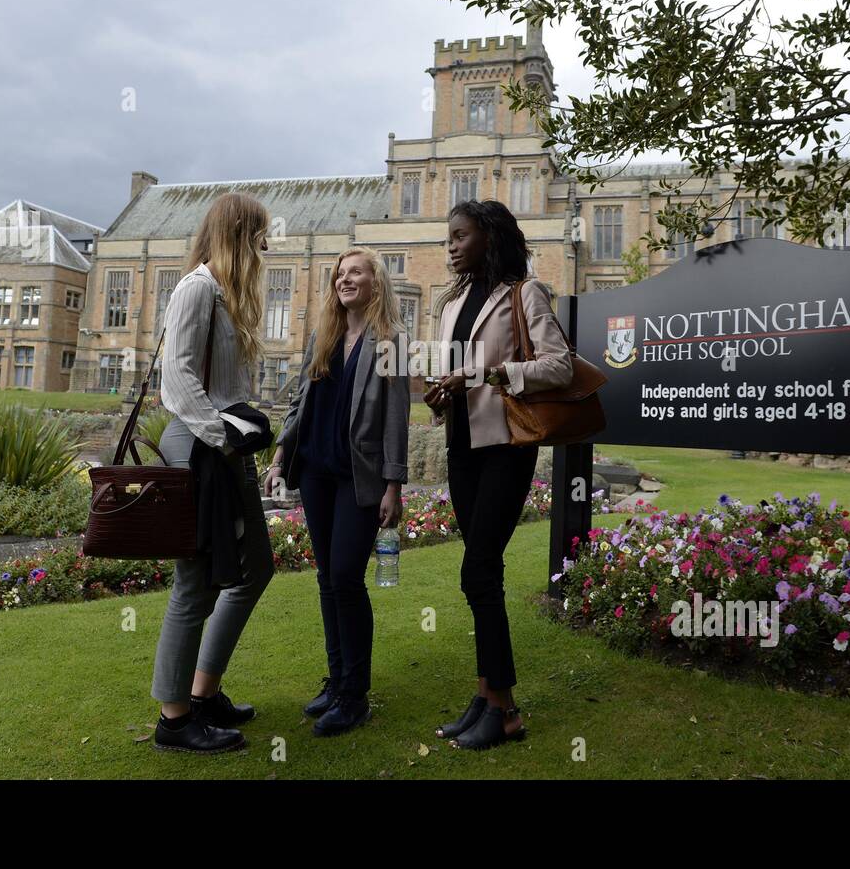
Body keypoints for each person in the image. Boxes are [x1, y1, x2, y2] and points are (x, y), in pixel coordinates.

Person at [424, 199, 573, 750]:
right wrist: (442, 393)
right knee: (481, 572)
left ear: (490, 236)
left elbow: (558, 365)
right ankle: (486, 695)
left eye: (461, 235)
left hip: (507, 447)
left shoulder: (523, 292)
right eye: (449, 237)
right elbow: (455, 377)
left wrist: (488, 373)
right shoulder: (452, 301)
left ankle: (505, 710)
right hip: (462, 446)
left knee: (478, 571)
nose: (452, 245)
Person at [149, 192, 276, 754]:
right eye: (261, 235)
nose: (267, 246)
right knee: (195, 582)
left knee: (256, 568)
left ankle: (203, 693)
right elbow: (175, 379)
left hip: (225, 447)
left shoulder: (225, 294)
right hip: (201, 446)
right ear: (239, 235)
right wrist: (227, 437)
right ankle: (175, 720)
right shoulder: (197, 287)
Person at [266, 247, 410, 736]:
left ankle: (355, 695)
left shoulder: (390, 340)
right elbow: (300, 401)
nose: (345, 280)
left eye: (356, 273)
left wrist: (394, 483)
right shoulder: (322, 336)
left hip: (359, 477)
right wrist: (281, 456)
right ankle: (335, 681)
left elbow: (395, 418)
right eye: (340, 274)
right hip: (316, 473)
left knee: (347, 578)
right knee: (327, 578)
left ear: (376, 282)